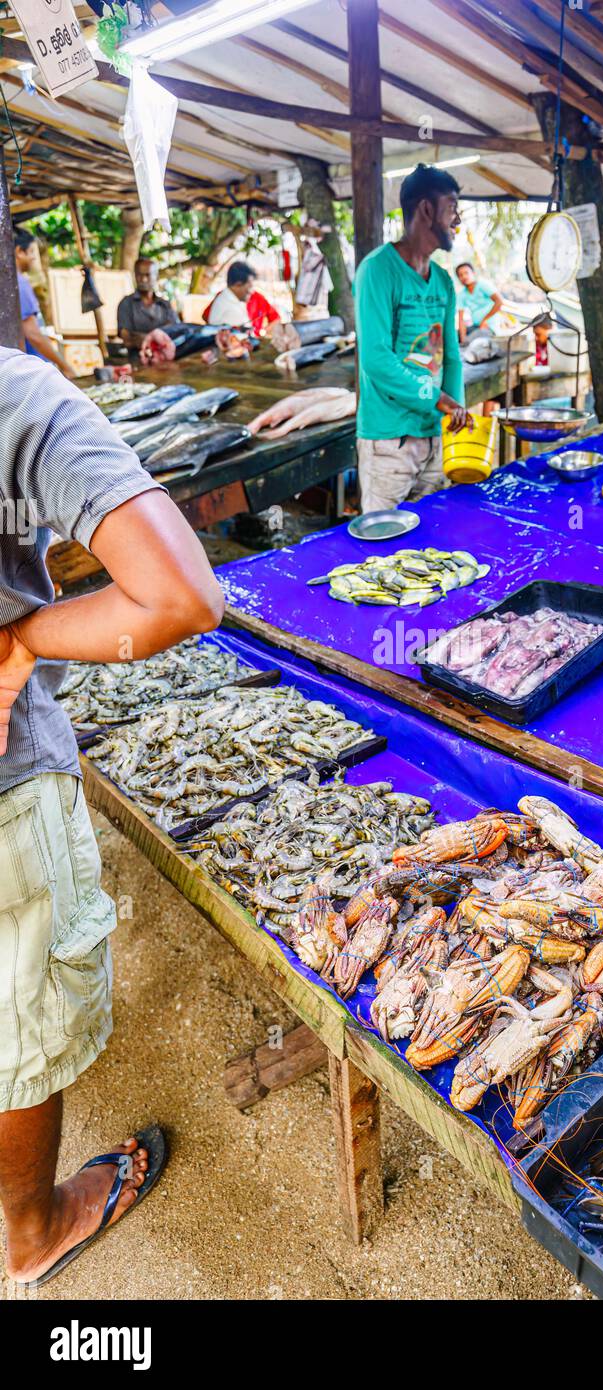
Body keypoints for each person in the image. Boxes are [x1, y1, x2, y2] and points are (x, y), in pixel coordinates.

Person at [0, 347, 224, 1286]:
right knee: (15, 1022)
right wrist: (23, 638)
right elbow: (181, 597)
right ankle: (29, 1230)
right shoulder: (14, 396)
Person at [354, 163, 472, 514]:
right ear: (426, 209)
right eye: (452, 207)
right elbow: (375, 359)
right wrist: (438, 399)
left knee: (434, 543)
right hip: (390, 440)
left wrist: (457, 409)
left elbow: (450, 355)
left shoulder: (443, 280)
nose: (458, 219)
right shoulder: (377, 270)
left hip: (434, 435)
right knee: (384, 552)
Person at [14, 230, 75, 379]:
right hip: (33, 371)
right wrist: (65, 367)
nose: (34, 257)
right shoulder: (19, 284)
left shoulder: (12, 283)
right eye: (31, 252)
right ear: (19, 252)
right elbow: (33, 334)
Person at [116, 257, 178, 352]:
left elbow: (176, 334)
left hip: (164, 358)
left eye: (147, 275)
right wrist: (159, 337)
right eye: (139, 275)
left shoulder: (165, 305)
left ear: (156, 277)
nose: (143, 279)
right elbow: (127, 340)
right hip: (136, 358)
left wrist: (144, 337)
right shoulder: (126, 304)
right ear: (135, 276)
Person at [455, 262, 502, 343]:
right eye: (460, 275)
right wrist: (462, 339)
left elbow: (499, 302)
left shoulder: (483, 285)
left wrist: (484, 320)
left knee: (469, 341)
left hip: (489, 327)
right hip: (476, 326)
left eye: (466, 273)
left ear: (473, 273)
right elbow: (461, 319)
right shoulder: (461, 294)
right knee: (453, 336)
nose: (464, 276)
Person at [205, 261, 259, 329]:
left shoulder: (234, 300)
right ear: (238, 284)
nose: (252, 292)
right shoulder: (225, 303)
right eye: (250, 287)